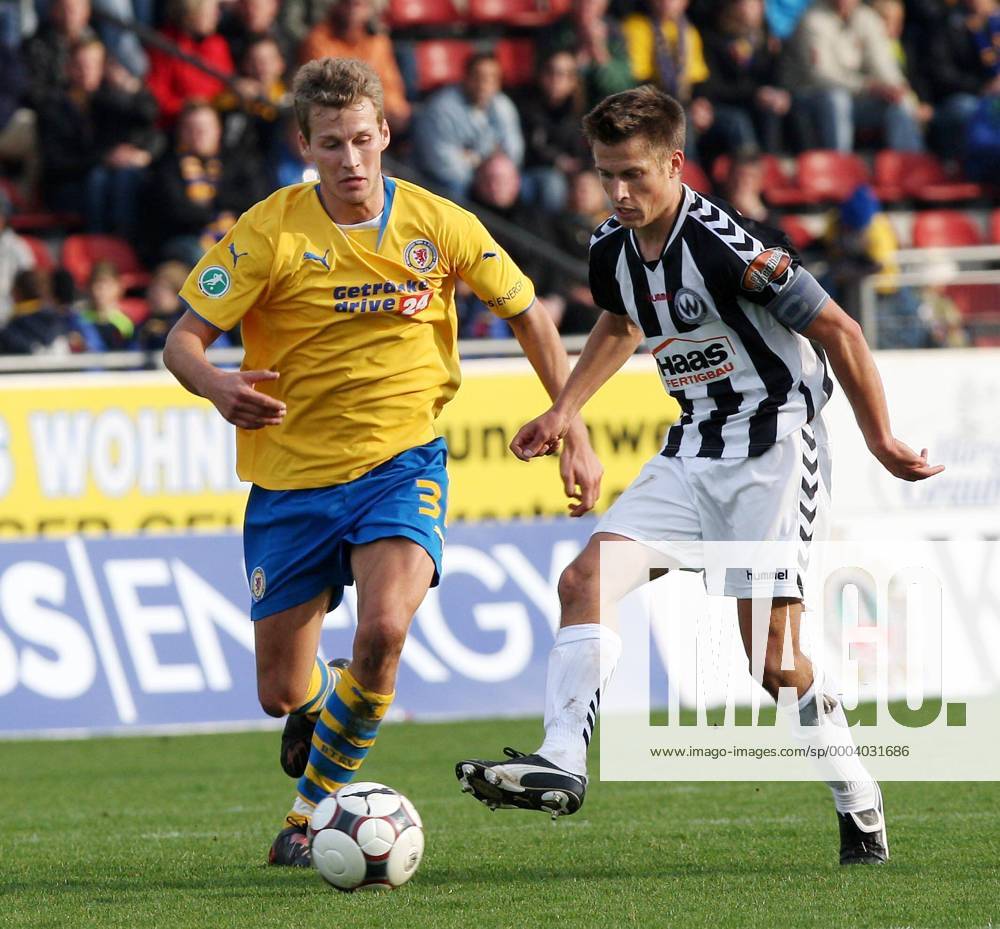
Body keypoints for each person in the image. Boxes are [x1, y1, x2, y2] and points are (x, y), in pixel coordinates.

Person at [456, 85, 943, 866]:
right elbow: (620, 322)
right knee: (585, 579)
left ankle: (858, 795)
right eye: (607, 174)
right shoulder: (611, 246)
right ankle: (563, 761)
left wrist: (880, 437)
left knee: (773, 662)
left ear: (675, 164)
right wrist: (566, 408)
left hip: (774, 450)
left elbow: (839, 328)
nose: (619, 193)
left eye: (635, 176)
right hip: (690, 450)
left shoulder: (728, 244)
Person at [162, 57, 602, 869]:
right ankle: (324, 697)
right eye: (331, 144)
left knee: (386, 631)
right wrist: (219, 387)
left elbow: (530, 314)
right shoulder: (270, 231)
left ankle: (305, 819)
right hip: (291, 482)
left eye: (363, 139)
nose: (351, 160)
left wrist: (569, 419)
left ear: (386, 134)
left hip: (401, 465)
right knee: (281, 694)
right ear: (306, 144)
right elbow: (181, 341)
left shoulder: (439, 223)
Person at [782, 0, 924, 152]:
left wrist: (898, 91)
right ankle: (842, 165)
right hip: (807, 96)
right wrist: (868, 86)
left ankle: (910, 166)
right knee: (837, 99)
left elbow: (883, 65)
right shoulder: (812, 19)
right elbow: (821, 75)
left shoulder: (867, 18)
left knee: (898, 102)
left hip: (856, 96)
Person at [412, 53, 524, 198]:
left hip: (493, 179)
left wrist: (477, 161)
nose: (484, 84)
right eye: (479, 77)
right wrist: (484, 174)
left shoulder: (503, 105)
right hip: (451, 182)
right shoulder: (441, 109)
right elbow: (442, 164)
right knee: (455, 189)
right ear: (466, 77)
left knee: (537, 185)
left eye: (492, 78)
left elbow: (514, 153)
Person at [298, 0, 410, 132]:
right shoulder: (318, 40)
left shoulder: (379, 42)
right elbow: (327, 91)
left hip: (383, 118)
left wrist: (395, 110)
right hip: (337, 120)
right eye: (347, 3)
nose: (353, 9)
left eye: (359, 4)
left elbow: (391, 86)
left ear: (370, 9)